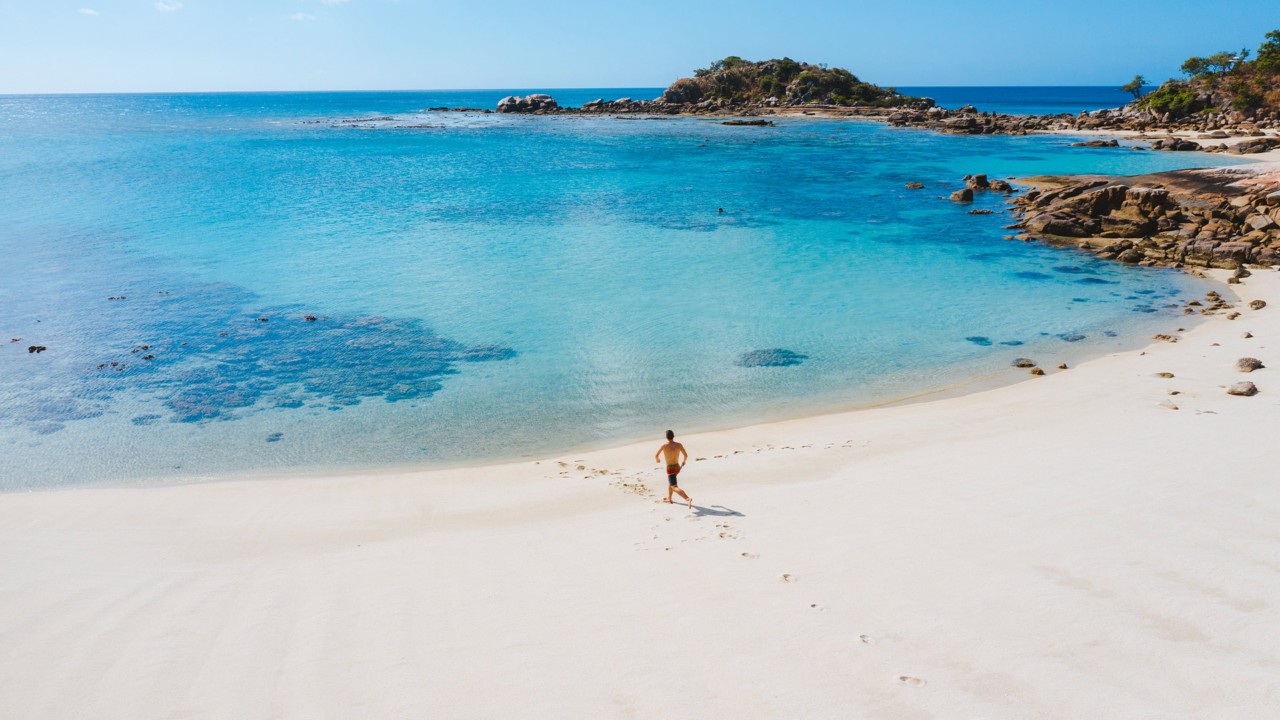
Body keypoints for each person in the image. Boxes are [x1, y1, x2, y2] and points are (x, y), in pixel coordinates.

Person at [654, 429, 692, 508]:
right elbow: (686, 455)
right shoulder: (679, 445)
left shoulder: (664, 446)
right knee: (671, 482)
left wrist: (658, 459)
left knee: (674, 486)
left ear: (666, 437)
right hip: (677, 468)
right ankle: (669, 498)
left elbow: (656, 455)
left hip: (670, 469)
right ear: (673, 436)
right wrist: (684, 462)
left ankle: (687, 498)